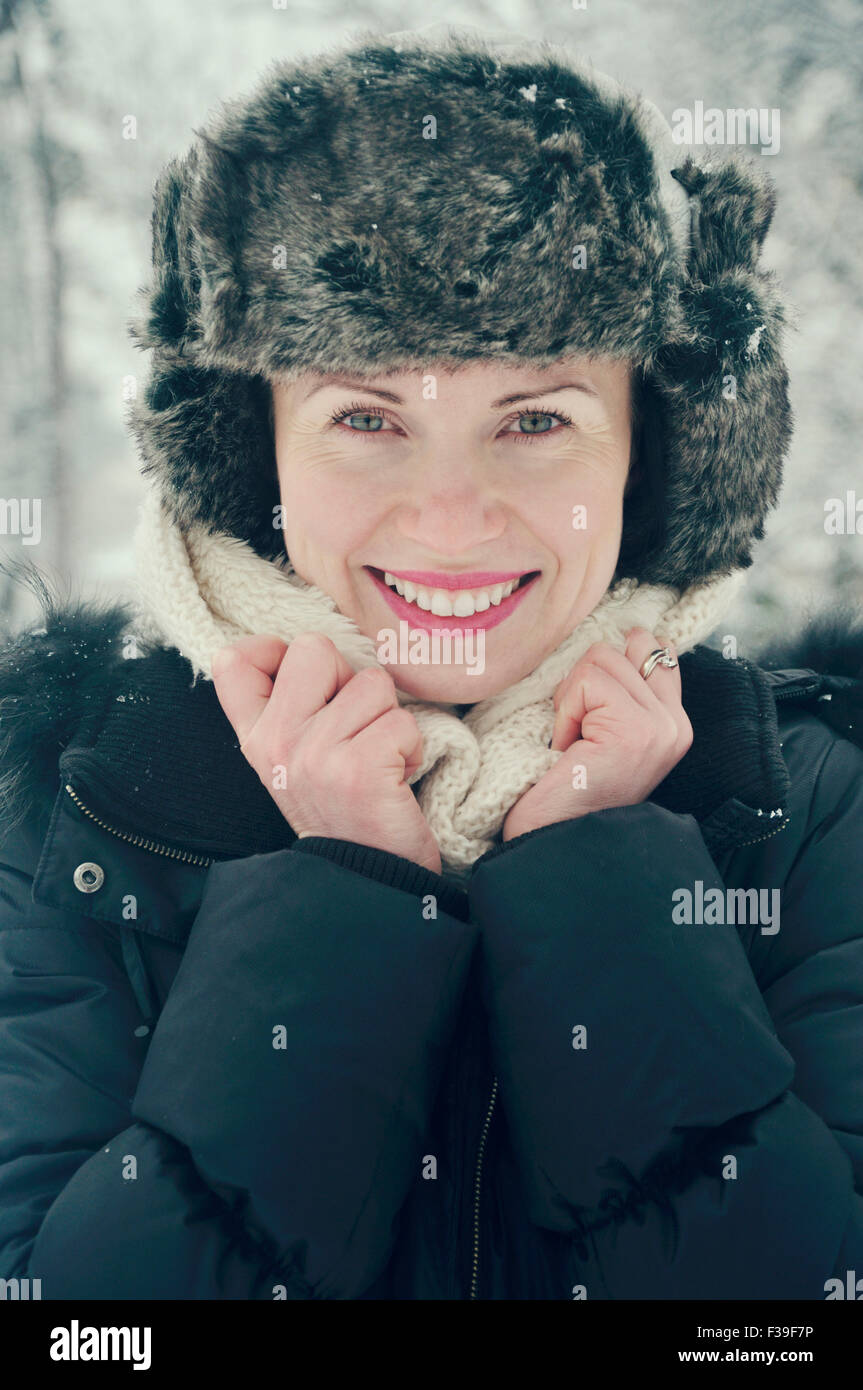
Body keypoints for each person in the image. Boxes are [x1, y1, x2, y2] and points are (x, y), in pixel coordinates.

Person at [1, 21, 862, 1301]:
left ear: (650, 460)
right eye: (364, 415)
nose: (449, 518)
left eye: (533, 419)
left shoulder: (798, 805)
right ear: (257, 453)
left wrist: (593, 889)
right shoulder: (73, 805)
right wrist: (339, 903)